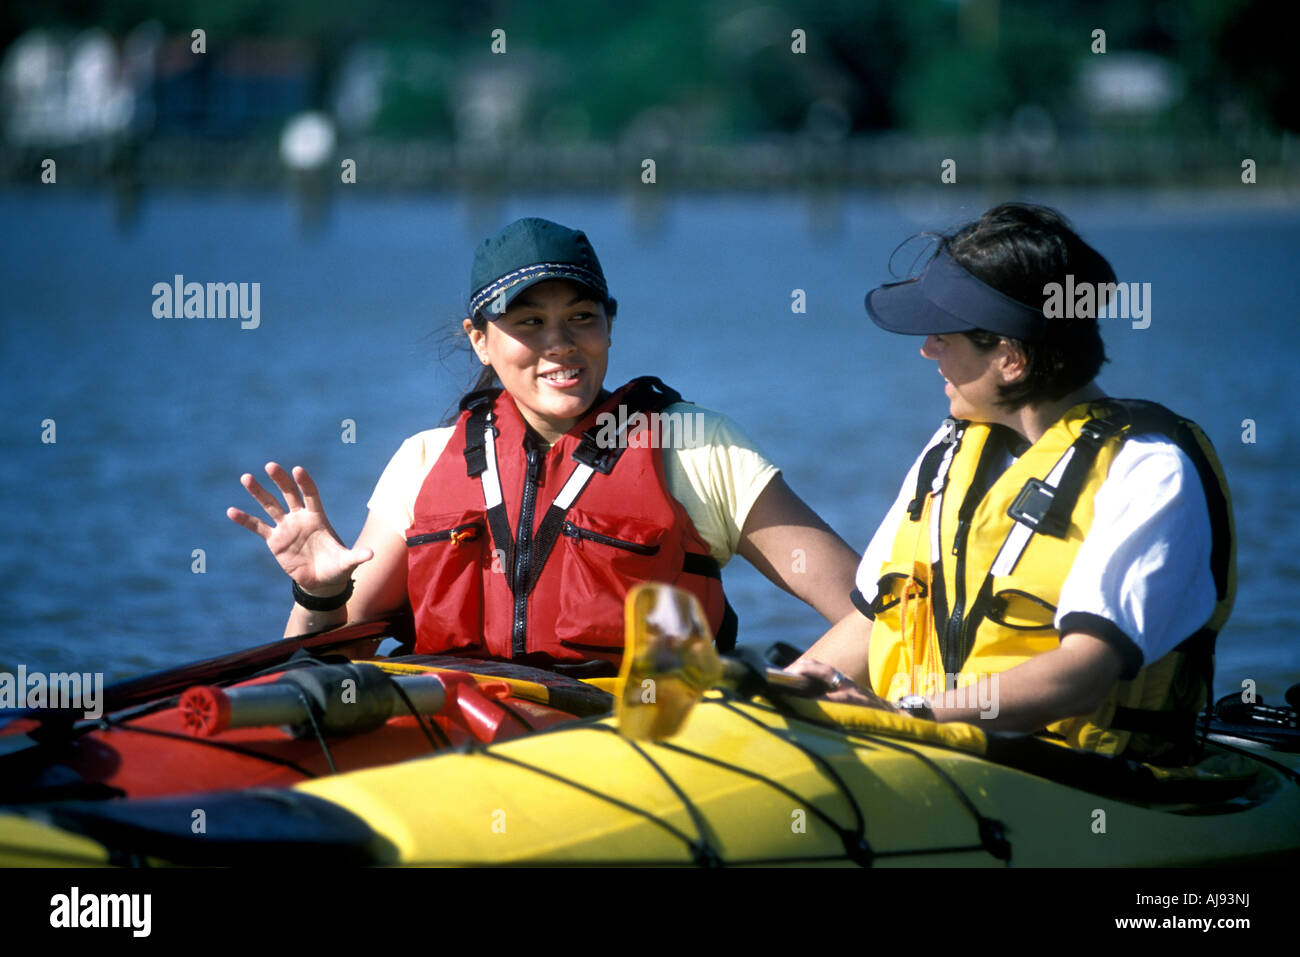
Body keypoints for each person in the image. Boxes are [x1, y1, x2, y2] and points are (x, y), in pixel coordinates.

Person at [229, 216, 860, 673]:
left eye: (582, 318)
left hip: (641, 749)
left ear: (610, 324)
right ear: (480, 339)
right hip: (456, 745)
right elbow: (324, 670)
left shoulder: (694, 447)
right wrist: (317, 592)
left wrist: (796, 688)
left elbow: (873, 609)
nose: (560, 344)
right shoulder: (422, 463)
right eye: (529, 323)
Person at [789, 203, 1234, 764]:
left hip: (1087, 782)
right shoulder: (949, 450)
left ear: (1011, 358)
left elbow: (1083, 671)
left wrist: (910, 718)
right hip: (931, 752)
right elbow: (878, 616)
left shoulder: (1149, 470)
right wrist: (782, 696)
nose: (926, 348)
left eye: (943, 334)